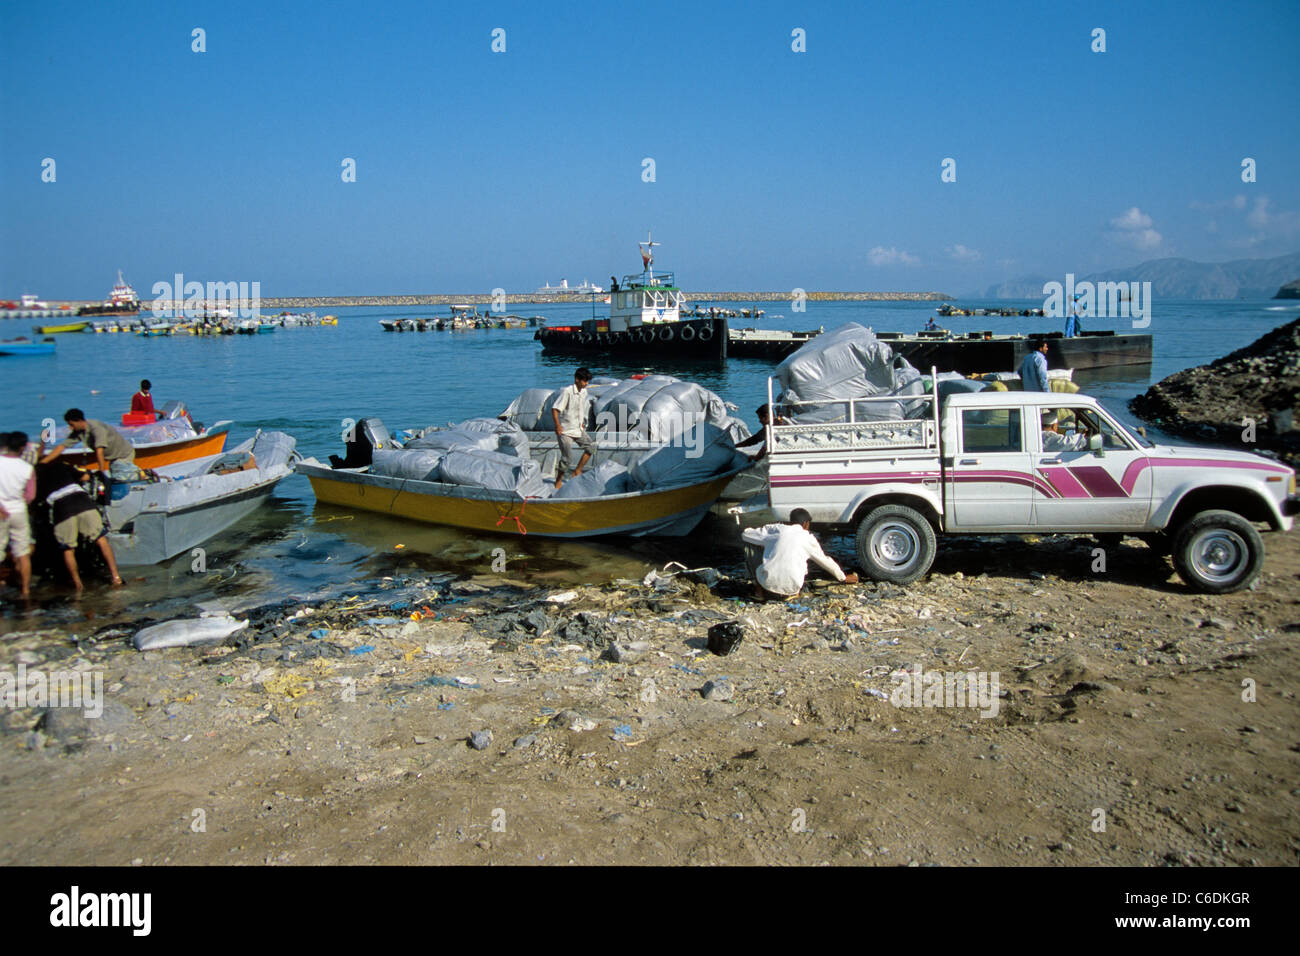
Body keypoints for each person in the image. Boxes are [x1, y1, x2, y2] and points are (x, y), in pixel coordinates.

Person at [35, 455, 123, 589]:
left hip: (63, 509)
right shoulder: (63, 465)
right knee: (101, 539)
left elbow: (37, 501)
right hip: (83, 502)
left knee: (68, 548)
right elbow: (86, 477)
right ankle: (116, 577)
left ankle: (78, 584)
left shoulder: (37, 476)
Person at [742, 508, 858, 601]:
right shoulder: (807, 538)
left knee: (751, 543)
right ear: (806, 524)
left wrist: (768, 543)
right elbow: (825, 561)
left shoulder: (777, 530)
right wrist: (842, 577)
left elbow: (746, 534)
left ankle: (759, 593)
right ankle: (791, 594)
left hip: (766, 583)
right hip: (792, 587)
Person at [42, 410, 139, 481]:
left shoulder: (96, 428)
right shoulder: (78, 431)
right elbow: (61, 447)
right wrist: (42, 463)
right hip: (112, 457)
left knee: (120, 476)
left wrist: (101, 472)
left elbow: (99, 451)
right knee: (115, 473)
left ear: (80, 421)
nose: (70, 428)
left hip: (123, 454)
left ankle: (141, 474)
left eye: (72, 424)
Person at [0, 431, 36, 597]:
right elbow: (30, 496)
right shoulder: (27, 468)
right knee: (23, 553)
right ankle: (26, 590)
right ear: (22, 447)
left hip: (1, 512)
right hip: (19, 511)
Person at [552, 367, 596, 490]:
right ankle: (558, 479)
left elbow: (580, 408)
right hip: (565, 430)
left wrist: (581, 422)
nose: (586, 384)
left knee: (591, 447)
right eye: (584, 381)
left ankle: (577, 470)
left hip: (578, 429)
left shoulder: (584, 392)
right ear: (577, 379)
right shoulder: (567, 392)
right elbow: (555, 409)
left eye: (587, 381)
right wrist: (557, 425)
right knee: (567, 459)